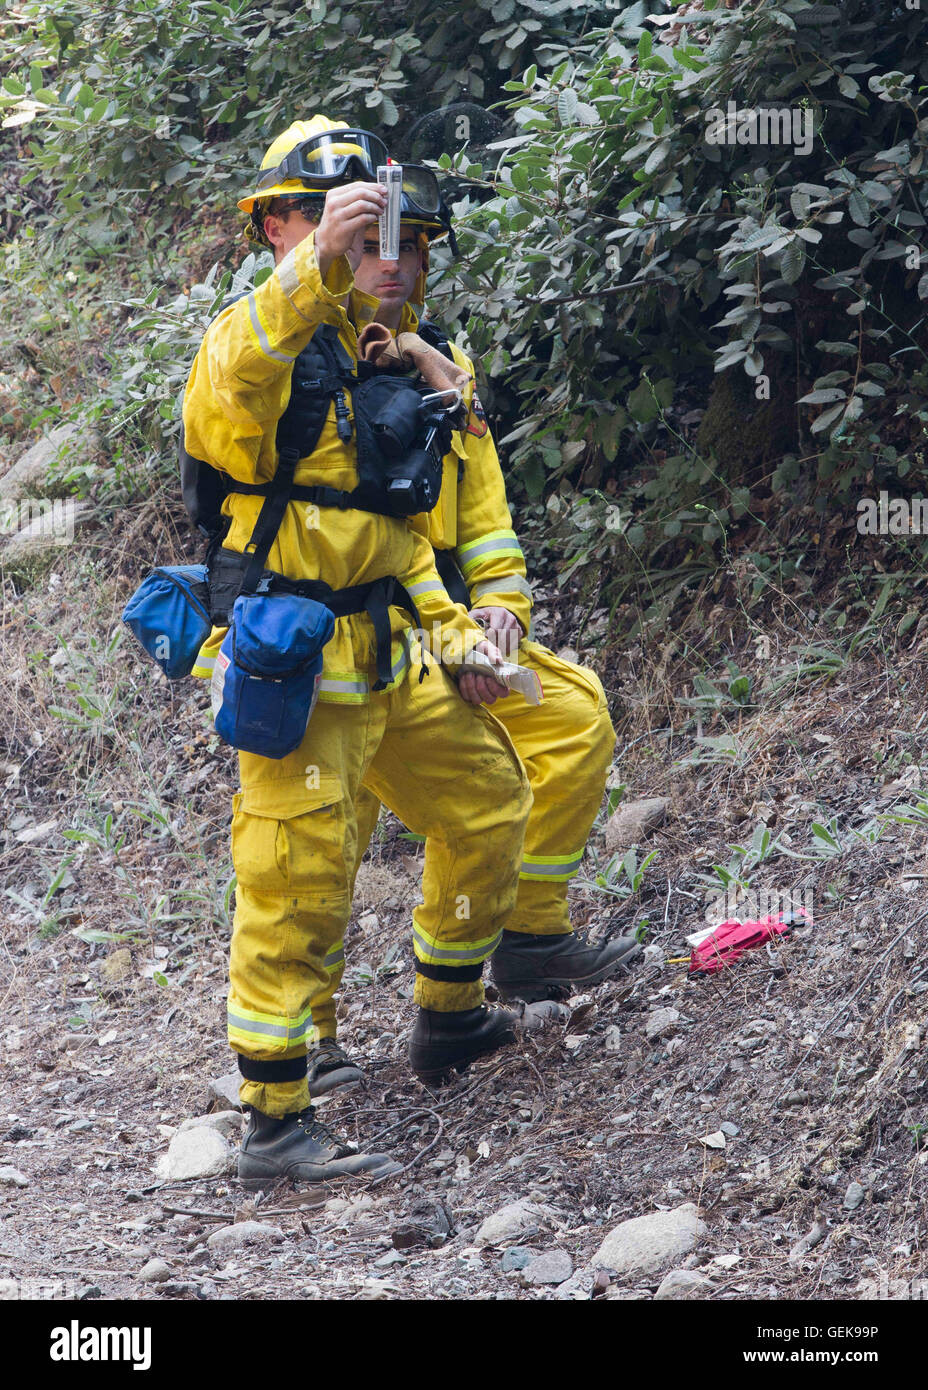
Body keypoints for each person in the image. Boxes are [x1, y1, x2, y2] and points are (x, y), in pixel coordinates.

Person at [182, 115, 535, 1185]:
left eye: (380, 232)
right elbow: (242, 370)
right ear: (272, 230)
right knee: (296, 878)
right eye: (329, 226)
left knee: (487, 801)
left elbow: (413, 529)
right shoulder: (253, 346)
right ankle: (275, 1117)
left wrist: (466, 630)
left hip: (396, 653)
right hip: (293, 657)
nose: (364, 253)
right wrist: (315, 268)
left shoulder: (394, 357)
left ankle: (449, 1012)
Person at [291, 134, 643, 1098]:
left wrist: (500, 616)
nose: (394, 265)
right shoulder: (295, 362)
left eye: (412, 245)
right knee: (325, 828)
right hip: (343, 643)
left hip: (444, 637)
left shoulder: (444, 371)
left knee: (571, 721)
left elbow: (484, 519)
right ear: (317, 240)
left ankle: (524, 942)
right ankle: (304, 1039)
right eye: (372, 244)